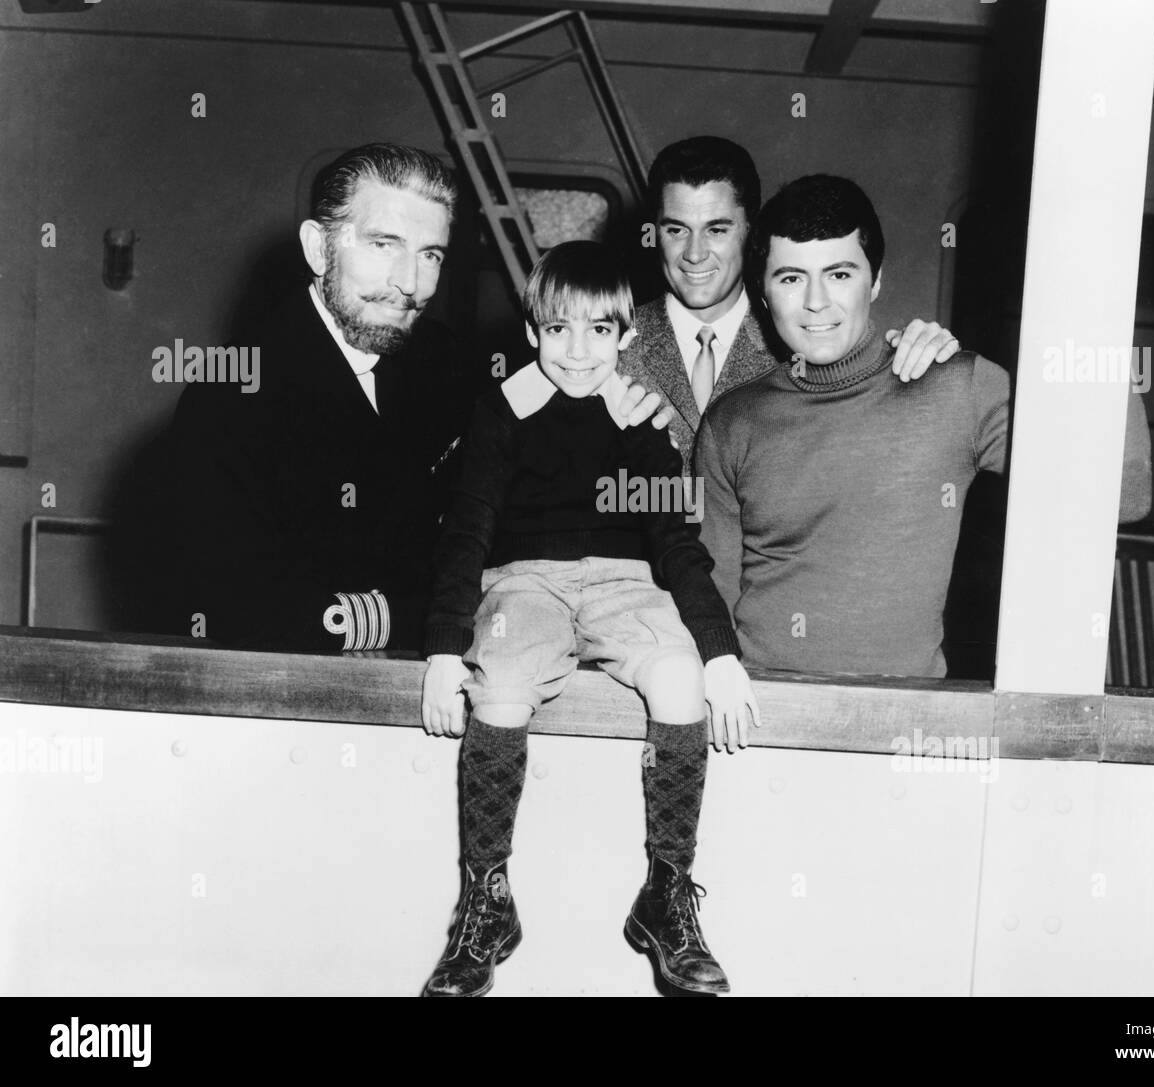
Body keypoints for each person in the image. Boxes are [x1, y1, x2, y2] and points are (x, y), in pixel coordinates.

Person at [156, 143, 668, 653]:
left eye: (430, 255)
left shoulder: (452, 365)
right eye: (383, 244)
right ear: (318, 248)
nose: (410, 284)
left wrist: (626, 420)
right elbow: (227, 602)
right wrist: (432, 613)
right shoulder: (230, 397)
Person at [419, 241, 760, 997]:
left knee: (679, 682)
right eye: (559, 330)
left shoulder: (641, 419)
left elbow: (677, 545)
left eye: (599, 331)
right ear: (533, 332)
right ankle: (487, 898)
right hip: (525, 582)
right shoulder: (502, 413)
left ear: (625, 336)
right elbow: (466, 532)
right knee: (500, 688)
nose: (578, 351)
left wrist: (720, 655)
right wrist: (446, 649)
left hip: (623, 582)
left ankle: (666, 892)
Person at [696, 174, 1152, 677]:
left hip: (905, 723)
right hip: (763, 714)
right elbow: (712, 601)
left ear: (878, 279)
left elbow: (1124, 495)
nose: (816, 301)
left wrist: (1104, 320)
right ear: (762, 292)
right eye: (790, 278)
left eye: (840, 274)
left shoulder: (957, 386)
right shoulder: (731, 421)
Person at [617, 135, 961, 471]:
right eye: (676, 230)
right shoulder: (602, 345)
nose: (694, 253)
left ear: (752, 233)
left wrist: (930, 358)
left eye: (717, 230)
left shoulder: (808, 336)